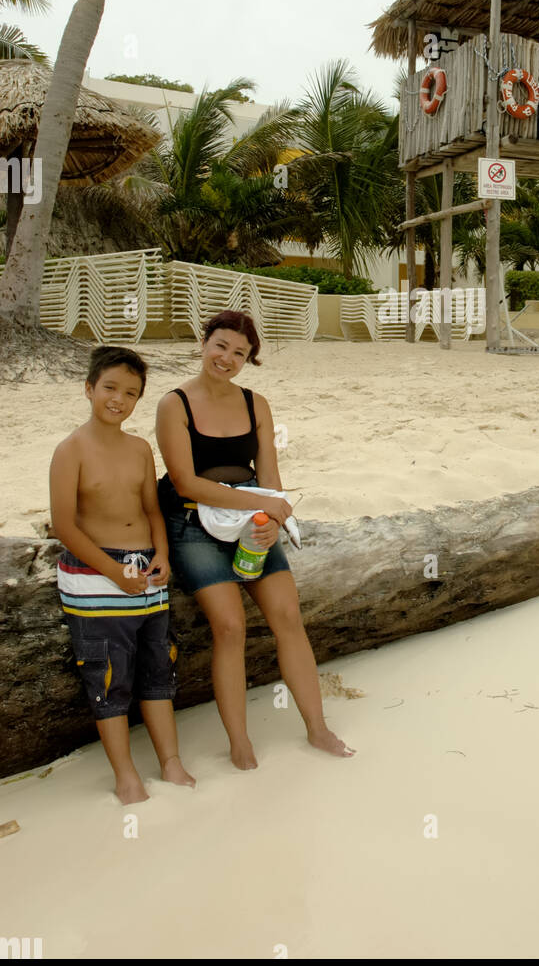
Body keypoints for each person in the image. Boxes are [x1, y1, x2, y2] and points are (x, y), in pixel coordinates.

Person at [155, 309, 355, 769]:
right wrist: (257, 506)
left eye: (239, 353)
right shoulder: (174, 404)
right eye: (220, 346)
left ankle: (318, 728)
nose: (227, 358)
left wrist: (268, 518)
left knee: (288, 614)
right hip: (192, 524)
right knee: (230, 627)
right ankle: (240, 744)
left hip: (249, 521)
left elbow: (268, 478)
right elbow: (185, 482)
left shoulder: (255, 404)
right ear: (204, 343)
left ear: (248, 360)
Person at [49, 346, 195, 805]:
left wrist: (163, 555)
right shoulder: (70, 450)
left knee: (158, 667)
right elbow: (64, 525)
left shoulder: (139, 449)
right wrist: (113, 571)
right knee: (109, 678)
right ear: (89, 388)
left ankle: (170, 760)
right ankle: (126, 774)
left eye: (131, 393)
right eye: (110, 388)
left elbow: (152, 509)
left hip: (146, 573)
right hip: (96, 580)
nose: (119, 399)